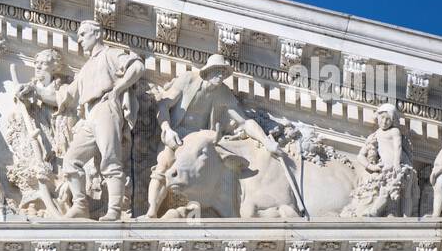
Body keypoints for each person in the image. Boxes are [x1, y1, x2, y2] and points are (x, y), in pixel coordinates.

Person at [147, 53, 281, 218]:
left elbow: (245, 122)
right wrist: (166, 129)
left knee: (227, 163)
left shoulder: (223, 93)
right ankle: (152, 211)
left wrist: (266, 142)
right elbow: (164, 104)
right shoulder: (188, 80)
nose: (221, 75)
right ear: (207, 71)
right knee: (162, 168)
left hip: (200, 142)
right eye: (218, 71)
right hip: (177, 137)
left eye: (224, 72)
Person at [56, 21, 144, 220]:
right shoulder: (86, 68)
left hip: (106, 107)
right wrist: (36, 90)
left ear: (97, 34)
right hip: (89, 115)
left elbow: (137, 66)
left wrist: (118, 89)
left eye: (83, 34)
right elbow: (66, 95)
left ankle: (114, 210)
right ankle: (80, 204)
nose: (79, 39)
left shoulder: (110, 54)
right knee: (71, 160)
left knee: (110, 158)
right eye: (78, 35)